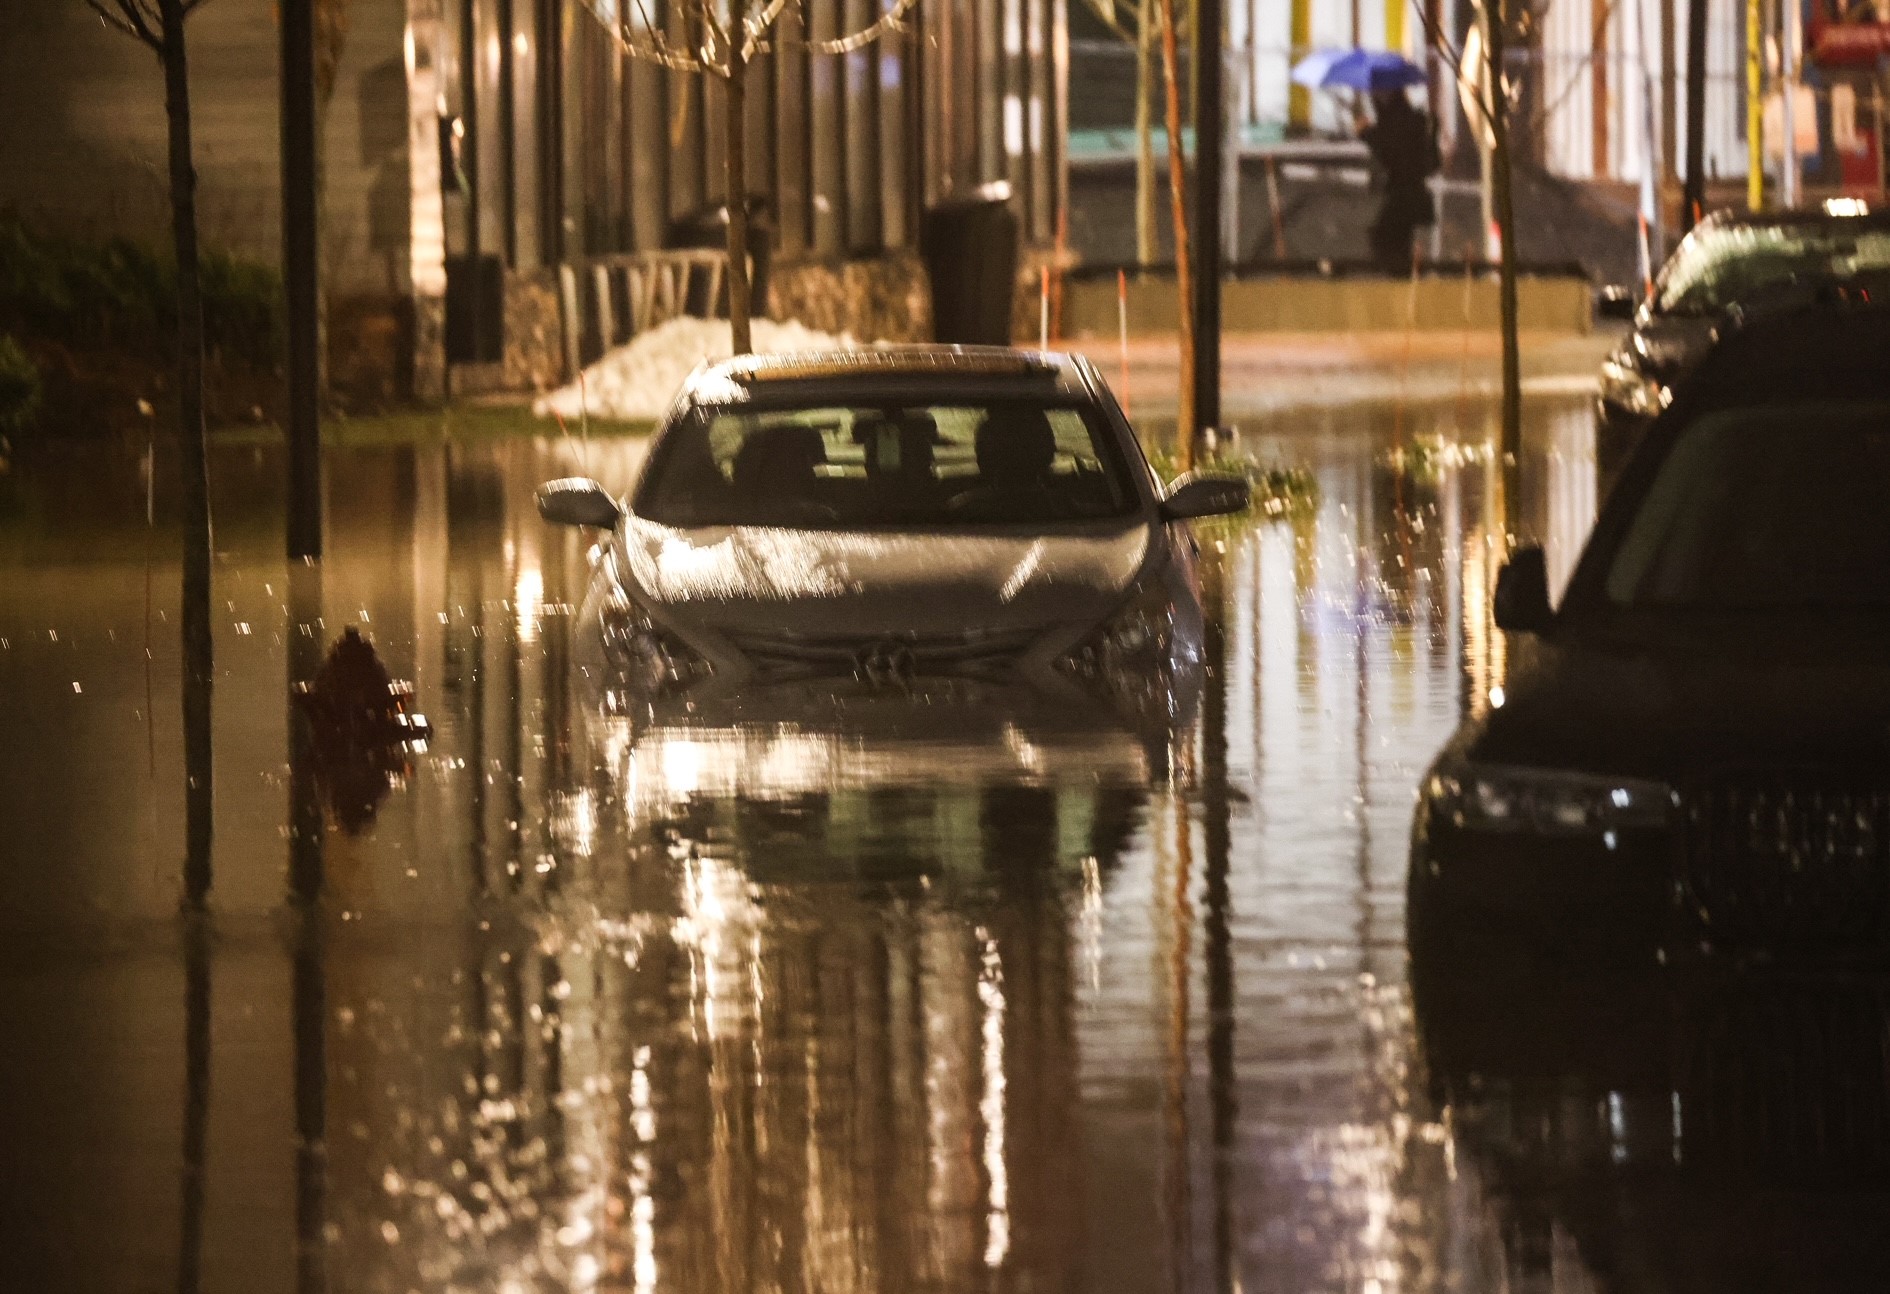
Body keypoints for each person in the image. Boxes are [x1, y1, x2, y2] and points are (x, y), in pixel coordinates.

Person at [1358, 90, 1441, 273]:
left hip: (1403, 196)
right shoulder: (1416, 121)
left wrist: (1366, 133)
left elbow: (1391, 154)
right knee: (1398, 242)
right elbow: (1431, 163)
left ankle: (1401, 278)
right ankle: (1405, 276)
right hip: (1412, 197)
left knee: (1384, 241)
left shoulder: (1397, 122)